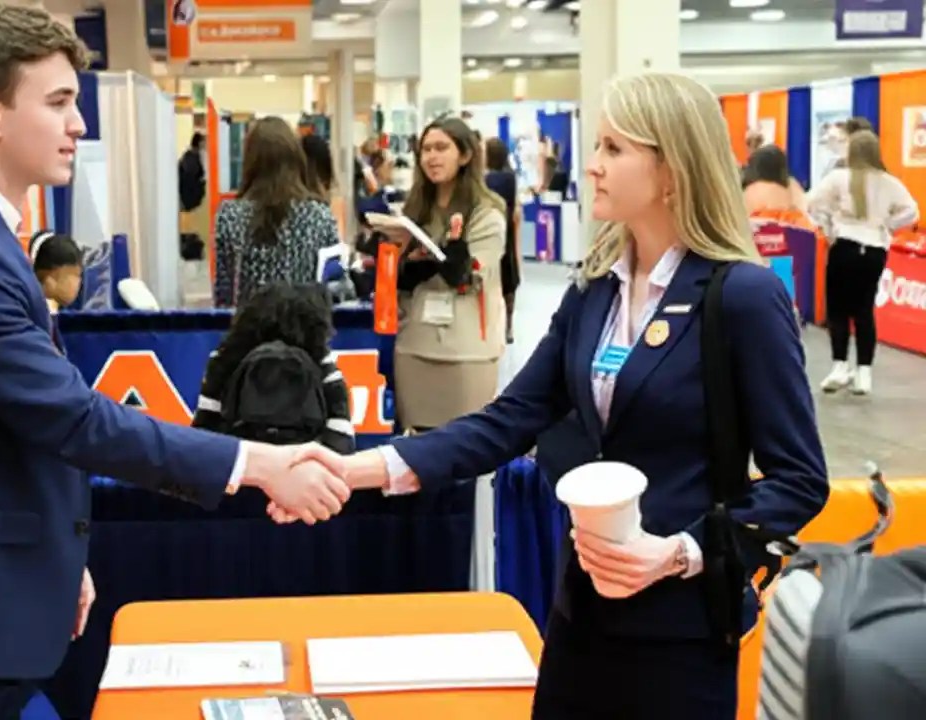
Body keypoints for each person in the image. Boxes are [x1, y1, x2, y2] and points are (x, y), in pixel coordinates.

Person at [0, 7, 349, 719]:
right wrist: (260, 464)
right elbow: (71, 417)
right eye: (56, 103)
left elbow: (8, 422)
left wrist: (51, 555)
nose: (79, 123)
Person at [290, 73, 830, 719]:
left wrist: (677, 553)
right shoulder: (596, 288)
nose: (592, 167)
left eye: (613, 148)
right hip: (579, 618)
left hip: (680, 632)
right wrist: (363, 468)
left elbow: (799, 480)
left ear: (672, 170)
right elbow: (511, 418)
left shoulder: (742, 296)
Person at [390, 117, 507, 432]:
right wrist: (404, 266)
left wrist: (456, 261)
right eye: (426, 149)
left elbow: (472, 276)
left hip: (466, 352)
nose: (431, 157)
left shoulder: (487, 212)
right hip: (415, 347)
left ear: (465, 155)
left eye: (441, 148)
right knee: (415, 452)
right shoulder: (414, 210)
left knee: (462, 451)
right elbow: (398, 281)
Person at [808, 129, 919, 395]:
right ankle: (864, 373)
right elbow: (911, 212)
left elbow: (812, 204)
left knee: (838, 309)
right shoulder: (890, 183)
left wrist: (829, 226)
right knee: (864, 309)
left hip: (844, 245)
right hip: (874, 250)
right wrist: (886, 227)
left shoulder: (838, 178)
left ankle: (839, 366)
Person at [193, 283, 355, 455]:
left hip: (243, 470)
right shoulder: (321, 360)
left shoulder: (225, 359)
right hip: (307, 470)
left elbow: (204, 432)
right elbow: (341, 436)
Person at [213, 116, 341, 307]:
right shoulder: (320, 216)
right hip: (304, 330)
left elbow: (224, 294)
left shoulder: (229, 217)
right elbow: (334, 289)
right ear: (296, 157)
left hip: (250, 330)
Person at [485, 137, 521, 344]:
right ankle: (508, 325)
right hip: (506, 230)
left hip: (493, 230)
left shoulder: (489, 179)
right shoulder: (510, 177)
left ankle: (496, 324)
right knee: (509, 278)